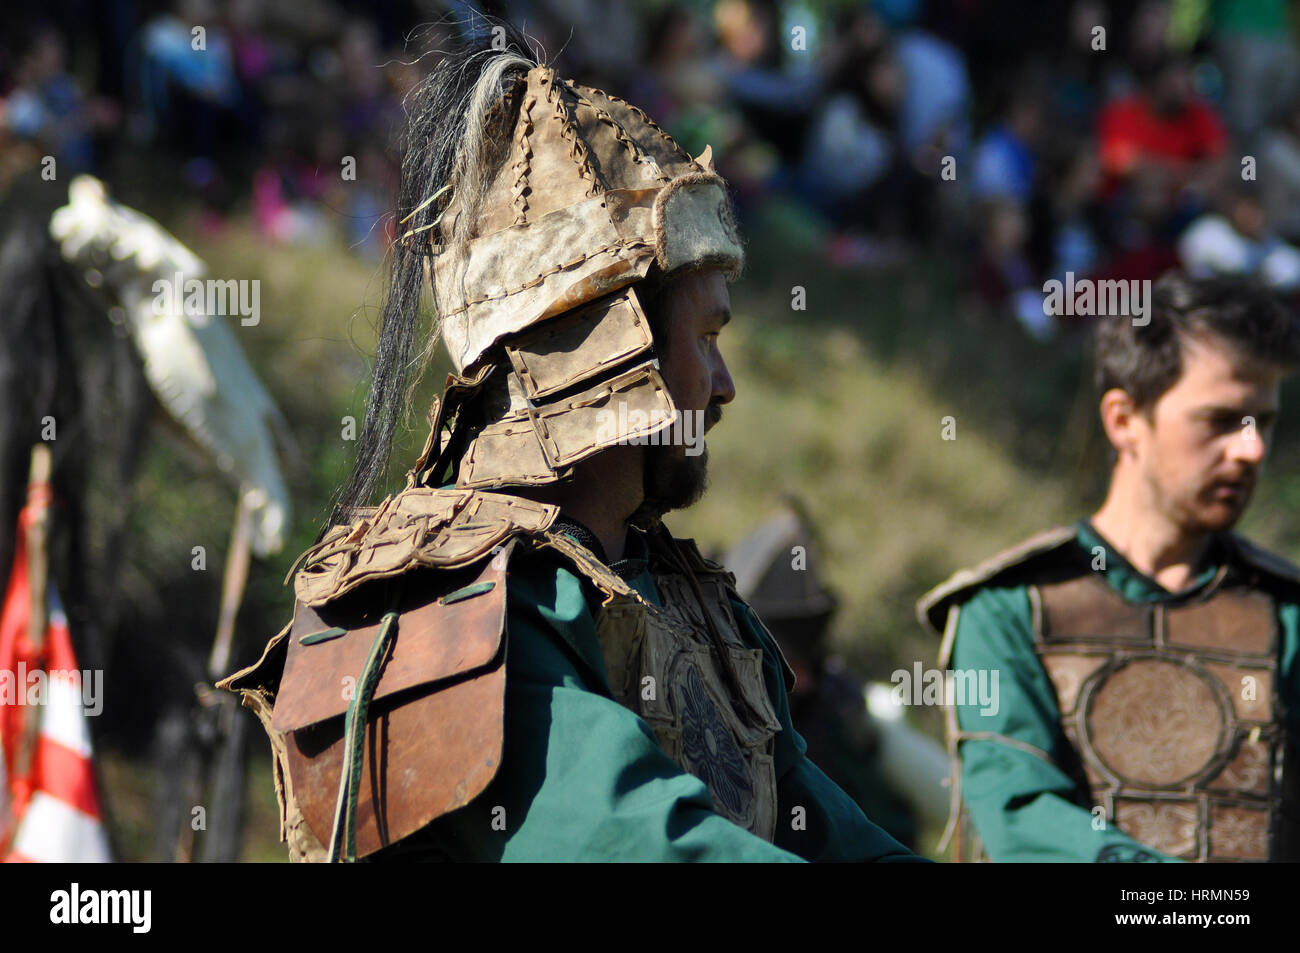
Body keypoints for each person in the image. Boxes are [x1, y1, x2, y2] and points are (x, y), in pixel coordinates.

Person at [220, 31, 920, 863]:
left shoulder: (703, 612)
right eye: (706, 336)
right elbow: (658, 848)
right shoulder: (455, 612)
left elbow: (841, 839)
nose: (725, 385)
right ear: (613, 351)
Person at [917, 272, 1300, 862]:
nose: (1250, 450)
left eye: (1262, 424)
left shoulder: (1287, 613)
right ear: (1124, 420)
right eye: (1221, 420)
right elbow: (1022, 818)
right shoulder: (1008, 610)